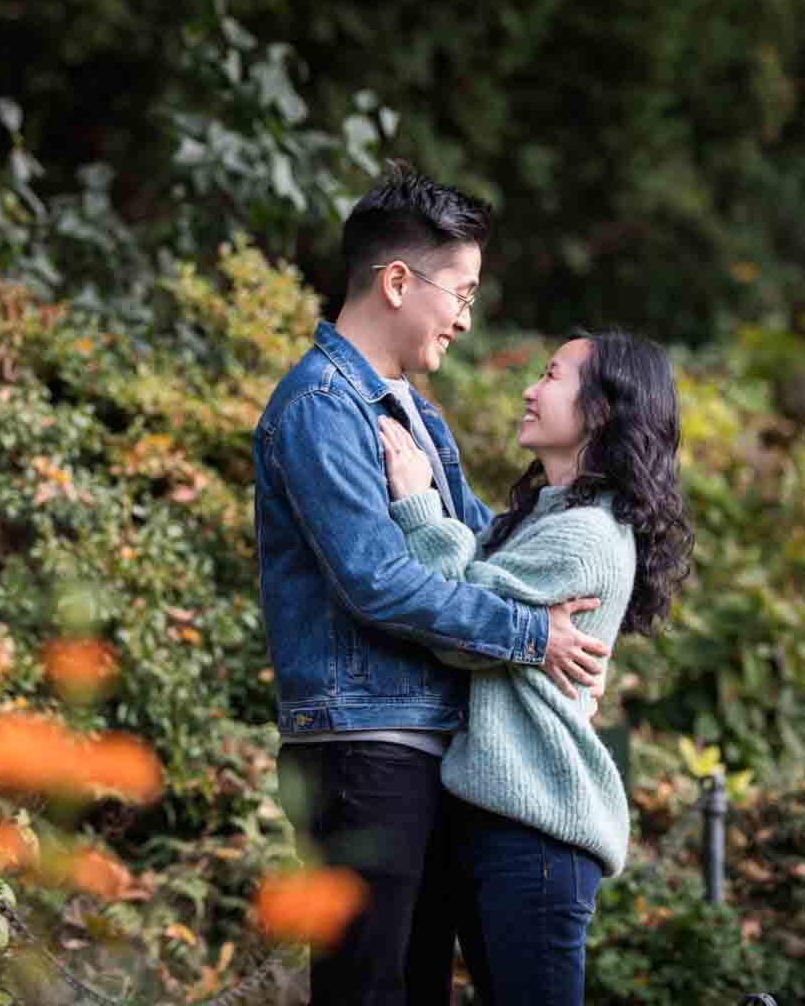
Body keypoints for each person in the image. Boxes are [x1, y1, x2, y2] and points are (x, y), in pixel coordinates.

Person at [252, 162, 613, 1006]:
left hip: (425, 745)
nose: (466, 316)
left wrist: (579, 570)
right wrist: (534, 636)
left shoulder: (414, 409)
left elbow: (479, 548)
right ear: (398, 280)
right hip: (362, 748)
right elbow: (379, 581)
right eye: (462, 290)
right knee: (368, 990)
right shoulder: (319, 408)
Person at [377, 331, 694, 1006]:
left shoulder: (583, 537)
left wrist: (414, 504)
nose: (530, 388)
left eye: (552, 376)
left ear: (601, 410)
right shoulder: (547, 517)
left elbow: (455, 623)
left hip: (539, 833)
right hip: (499, 821)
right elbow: (474, 585)